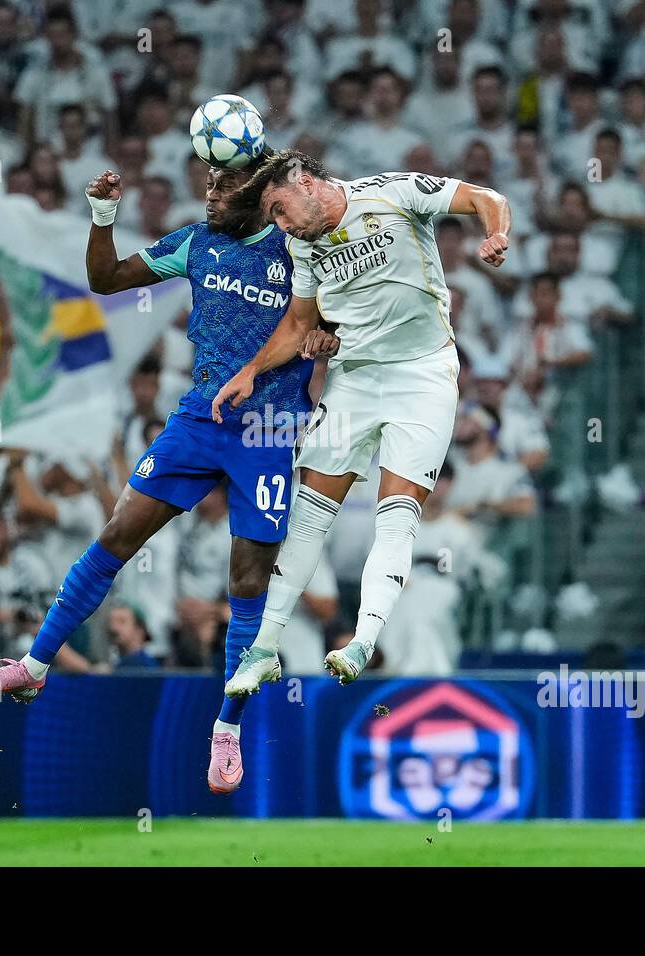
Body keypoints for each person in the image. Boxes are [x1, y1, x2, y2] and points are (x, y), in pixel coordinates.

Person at [0, 151, 325, 797]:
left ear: (260, 192)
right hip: (199, 418)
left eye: (226, 184)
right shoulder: (196, 243)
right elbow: (104, 279)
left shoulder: (298, 249)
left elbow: (332, 321)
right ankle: (36, 663)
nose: (211, 194)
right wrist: (103, 215)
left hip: (268, 432)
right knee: (115, 537)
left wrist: (326, 338)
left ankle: (227, 729)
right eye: (209, 183)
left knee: (246, 580)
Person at [211, 149, 511, 688]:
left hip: (422, 376)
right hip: (354, 378)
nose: (280, 225)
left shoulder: (393, 192)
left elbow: (486, 197)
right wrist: (253, 368)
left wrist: (495, 235)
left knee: (396, 514)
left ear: (305, 182)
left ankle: (363, 640)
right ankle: (264, 646)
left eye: (280, 209)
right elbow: (301, 322)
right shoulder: (302, 246)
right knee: (310, 511)